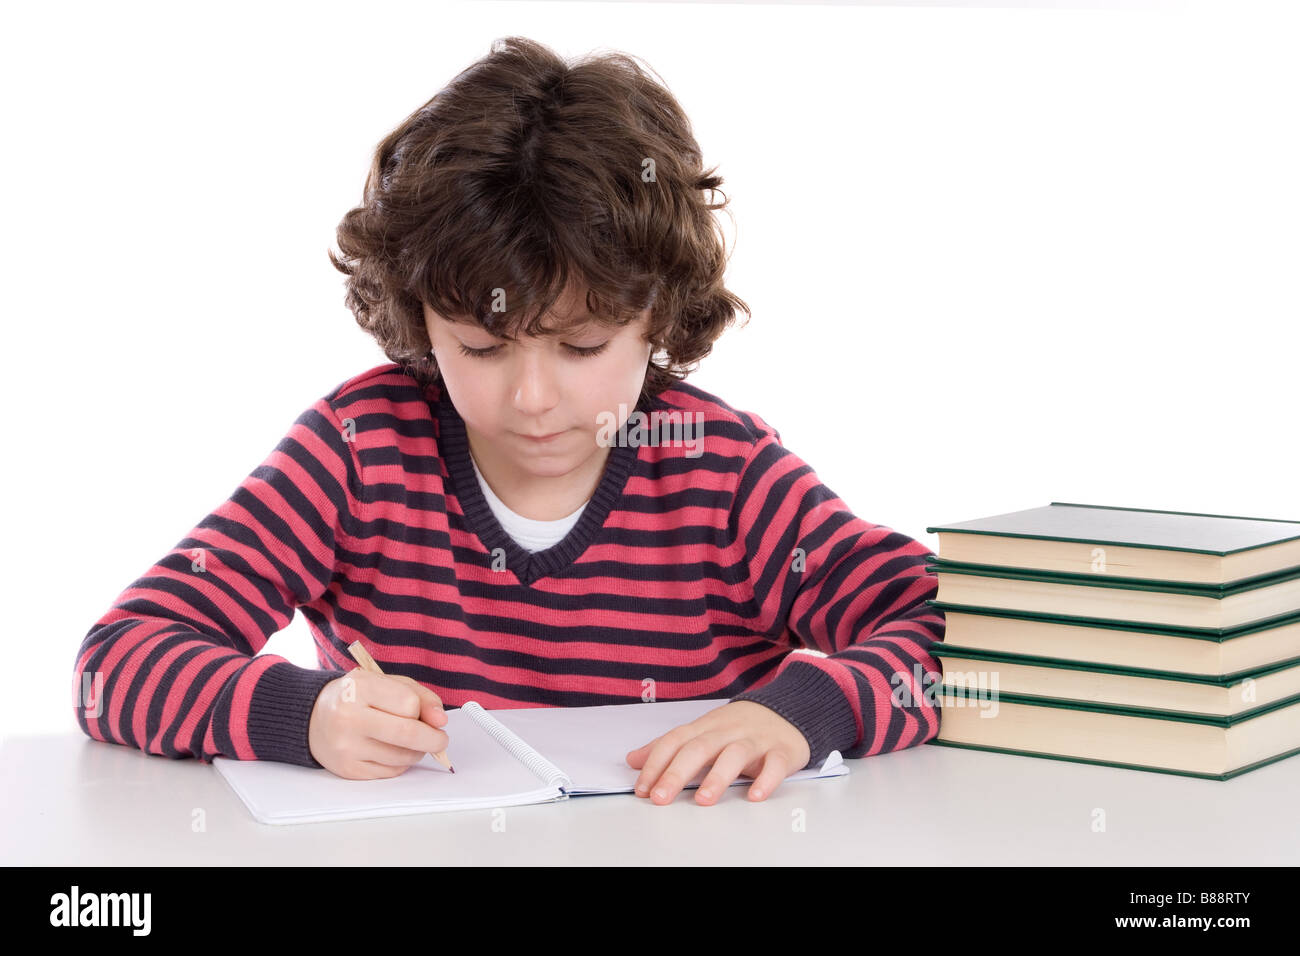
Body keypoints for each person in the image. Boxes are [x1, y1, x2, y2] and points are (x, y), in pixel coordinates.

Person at [73, 36, 945, 806]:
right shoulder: (357, 452)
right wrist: (305, 716)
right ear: (421, 322)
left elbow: (961, 636)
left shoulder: (721, 472)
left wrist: (802, 712)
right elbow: (116, 664)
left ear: (660, 316)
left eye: (584, 345)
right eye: (483, 349)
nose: (532, 399)